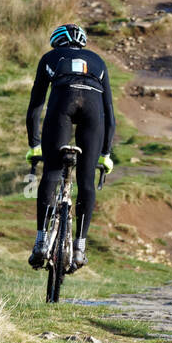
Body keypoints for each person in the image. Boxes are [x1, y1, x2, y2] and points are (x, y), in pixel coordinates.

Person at [26, 24, 116, 271]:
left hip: (62, 103)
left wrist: (34, 146)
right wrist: (106, 154)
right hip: (93, 111)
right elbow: (109, 112)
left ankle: (42, 242)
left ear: (57, 42)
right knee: (86, 181)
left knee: (53, 172)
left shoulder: (50, 58)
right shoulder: (98, 61)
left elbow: (35, 107)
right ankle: (79, 248)